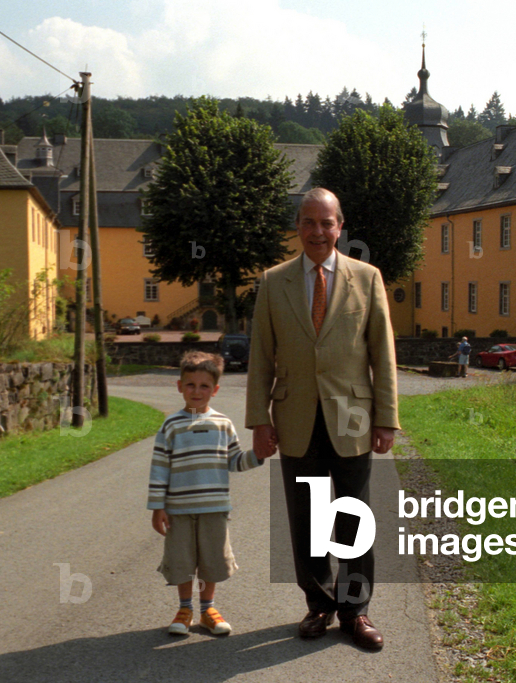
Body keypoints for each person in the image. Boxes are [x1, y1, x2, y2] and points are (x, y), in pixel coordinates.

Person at [246, 187, 399, 651]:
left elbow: (383, 353)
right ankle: (319, 603)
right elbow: (261, 357)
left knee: (353, 517)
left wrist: (386, 417)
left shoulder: (367, 278)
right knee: (308, 519)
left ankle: (356, 611)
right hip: (294, 417)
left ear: (340, 225)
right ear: (298, 226)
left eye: (326, 222)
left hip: (352, 416)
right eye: (309, 222)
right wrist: (259, 420)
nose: (318, 231)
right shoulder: (274, 282)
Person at [148, 351, 273, 636]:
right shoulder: (171, 426)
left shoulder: (223, 424)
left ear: (215, 390)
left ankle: (207, 610)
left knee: (210, 561)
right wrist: (158, 507)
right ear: (179, 386)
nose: (197, 391)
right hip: (178, 509)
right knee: (182, 561)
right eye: (190, 384)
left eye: (204, 386)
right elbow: (159, 468)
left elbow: (234, 462)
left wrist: (258, 455)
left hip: (215, 508)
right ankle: (184, 609)